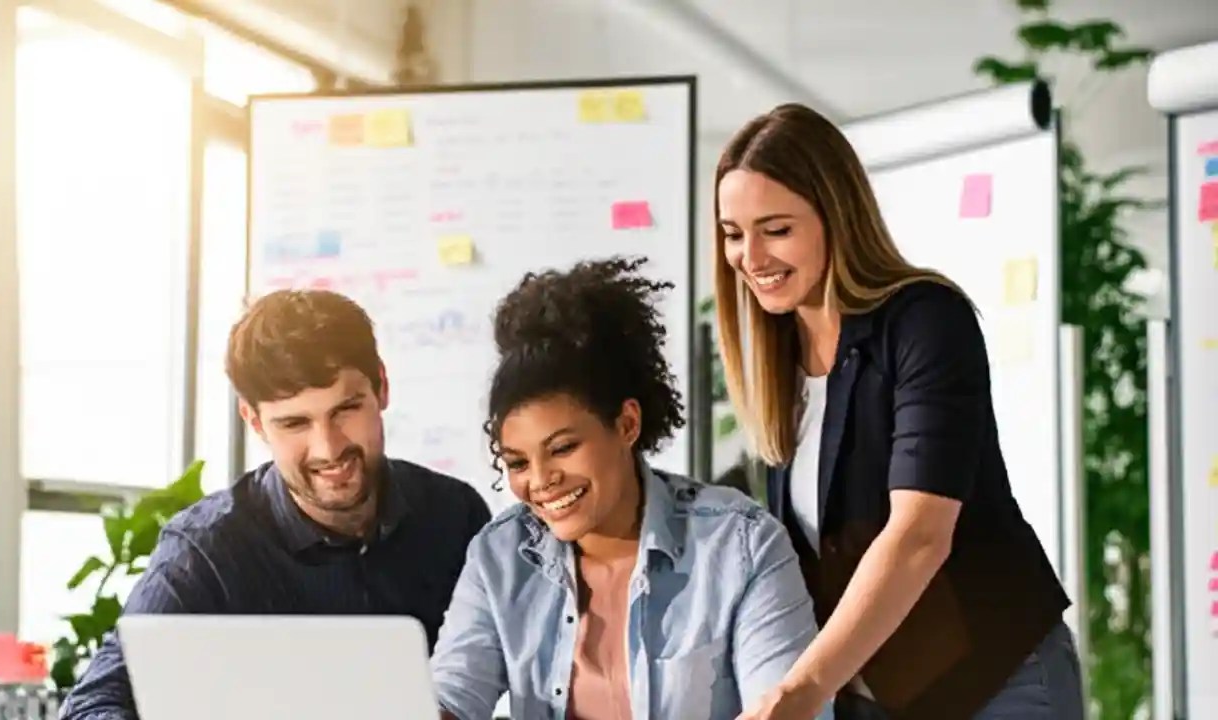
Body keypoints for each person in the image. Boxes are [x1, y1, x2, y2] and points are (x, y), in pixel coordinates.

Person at [712, 103, 1084, 720]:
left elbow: (918, 536)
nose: (750, 256)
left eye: (775, 229)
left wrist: (801, 689)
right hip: (877, 698)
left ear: (835, 215)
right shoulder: (779, 361)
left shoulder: (925, 322)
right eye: (732, 233)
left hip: (995, 682)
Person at [429, 257, 828, 720]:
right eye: (517, 462)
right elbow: (452, 695)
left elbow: (789, 708)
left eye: (563, 448)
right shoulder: (500, 556)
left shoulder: (740, 545)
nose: (540, 481)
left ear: (627, 424)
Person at [60, 290, 491, 719]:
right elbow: (92, 705)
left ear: (382, 387)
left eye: (346, 409)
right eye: (294, 423)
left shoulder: (455, 516)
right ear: (254, 421)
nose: (328, 448)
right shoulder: (205, 550)